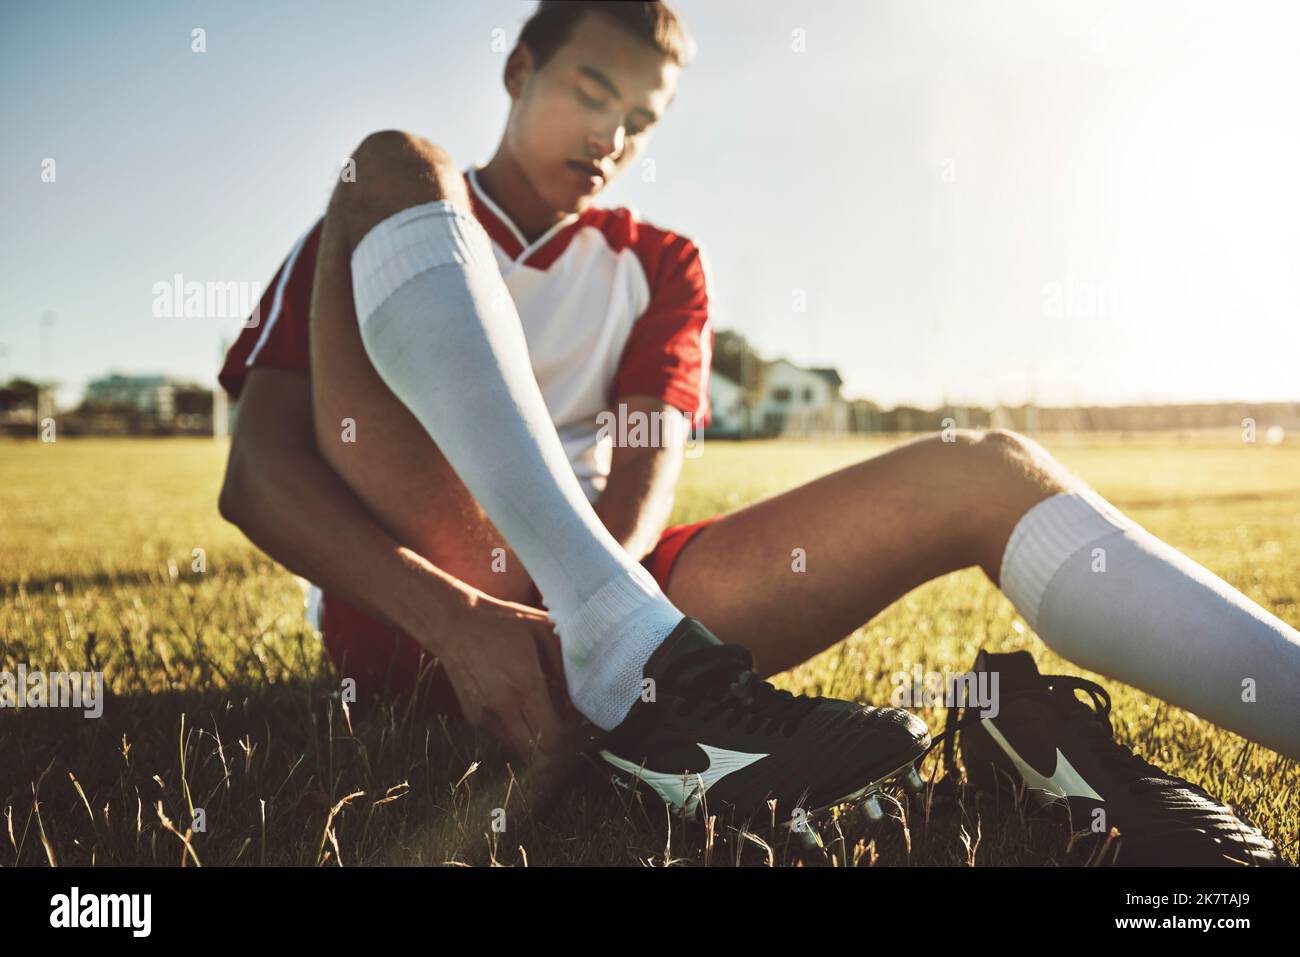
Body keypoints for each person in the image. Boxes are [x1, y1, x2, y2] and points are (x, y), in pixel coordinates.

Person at [218, 2, 1299, 832]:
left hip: (632, 608)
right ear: (517, 69)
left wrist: (599, 604)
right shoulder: (383, 221)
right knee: (387, 156)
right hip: (424, 610)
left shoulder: (658, 264)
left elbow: (639, 501)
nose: (609, 137)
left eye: (638, 123)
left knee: (988, 467)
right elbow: (258, 479)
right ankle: (624, 666)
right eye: (589, 92)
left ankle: (630, 673)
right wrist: (460, 620)